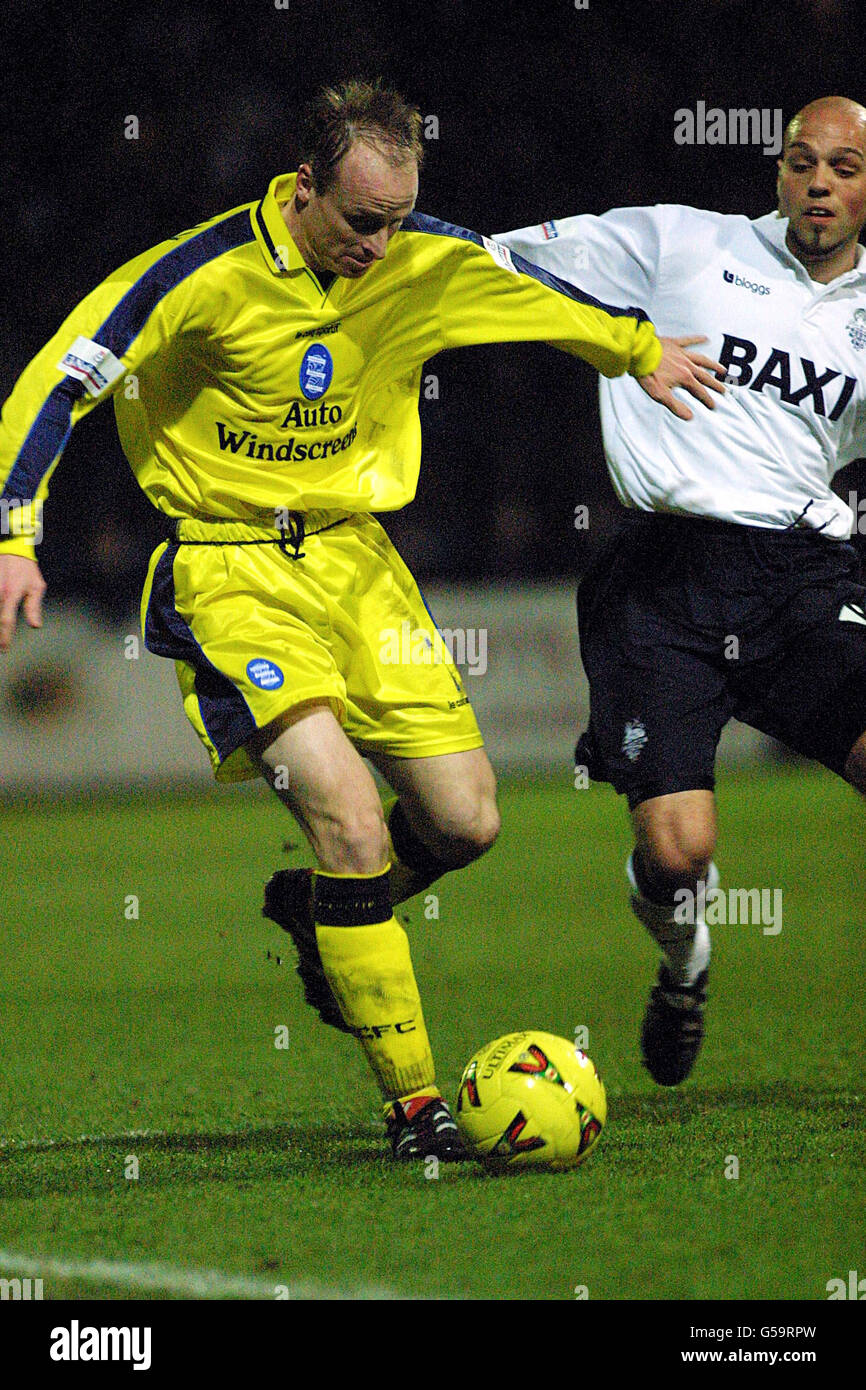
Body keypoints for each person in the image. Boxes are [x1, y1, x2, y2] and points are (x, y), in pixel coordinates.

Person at [0, 80, 719, 1158]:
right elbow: (60, 380)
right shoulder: (197, 276)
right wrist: (15, 532)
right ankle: (417, 1107)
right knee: (347, 814)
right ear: (301, 189)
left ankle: (319, 910)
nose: (383, 244)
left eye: (399, 216)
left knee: (468, 823)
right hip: (230, 571)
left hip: (361, 570)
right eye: (362, 219)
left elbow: (531, 295)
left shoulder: (422, 256)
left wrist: (635, 348)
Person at [498, 95, 866, 1088]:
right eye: (801, 161)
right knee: (677, 852)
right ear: (776, 173)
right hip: (663, 581)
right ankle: (683, 961)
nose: (819, 182)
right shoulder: (674, 246)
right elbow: (494, 263)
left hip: (801, 580)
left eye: (843, 166)